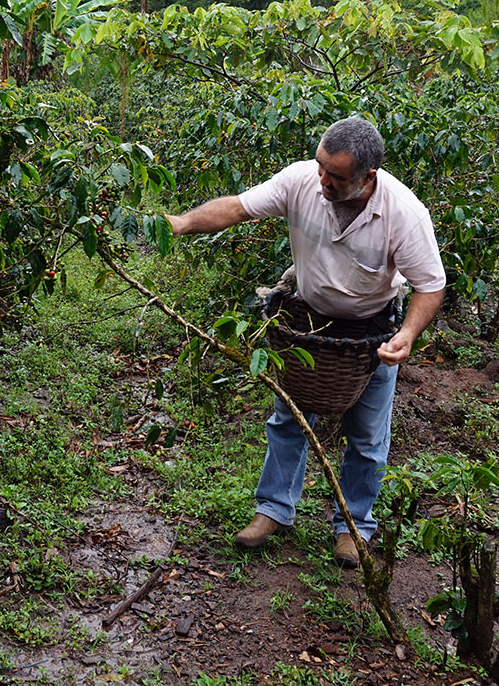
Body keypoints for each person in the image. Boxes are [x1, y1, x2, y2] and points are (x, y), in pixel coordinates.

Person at [164, 116, 445, 568]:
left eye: (335, 176)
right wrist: (181, 222)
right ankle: (272, 510)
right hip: (308, 327)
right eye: (320, 167)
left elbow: (429, 287)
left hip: (371, 336)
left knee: (368, 438)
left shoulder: (404, 214)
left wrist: (407, 335)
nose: (323, 181)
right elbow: (236, 207)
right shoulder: (301, 181)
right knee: (289, 419)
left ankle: (353, 527)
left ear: (367, 177)